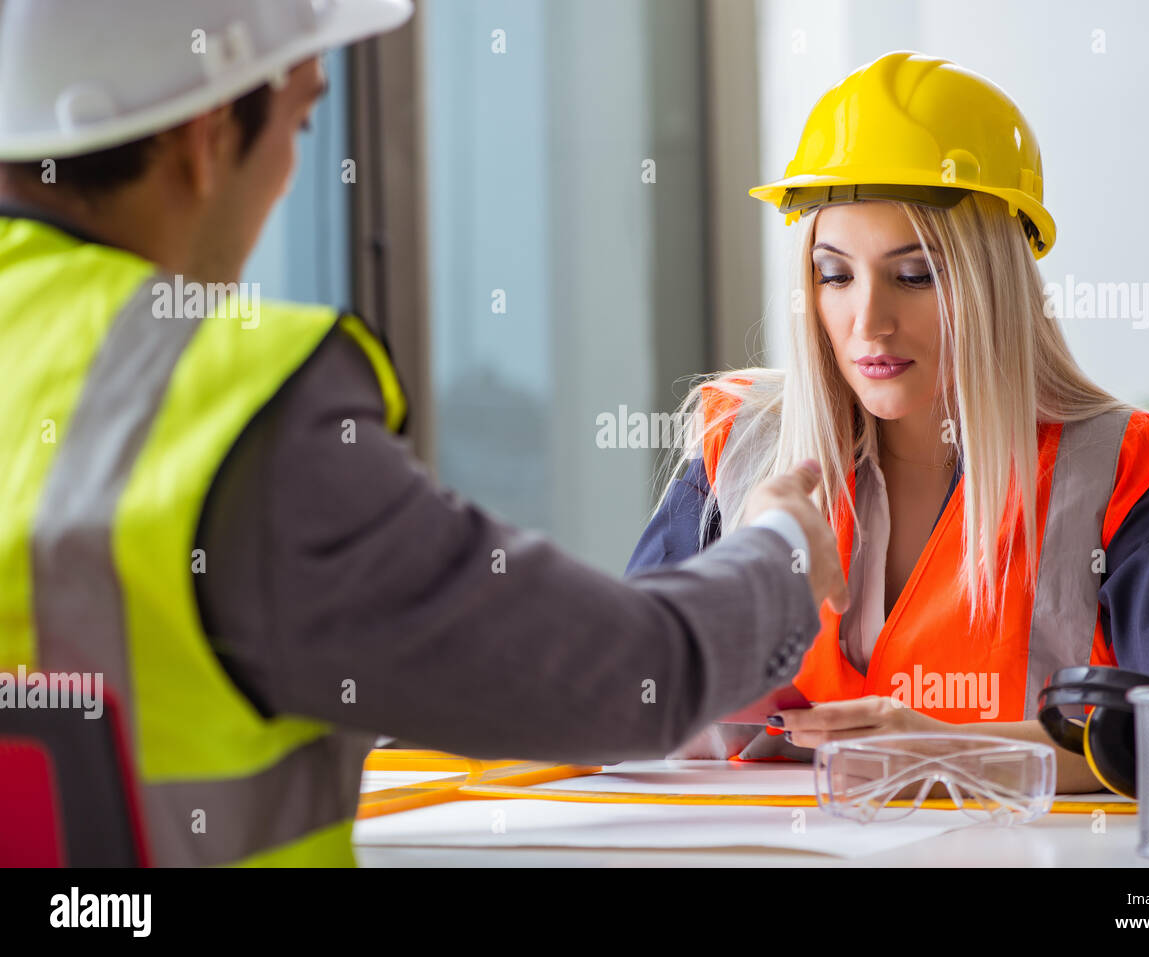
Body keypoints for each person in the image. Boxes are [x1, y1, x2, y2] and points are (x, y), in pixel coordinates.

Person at [0, 0, 848, 866]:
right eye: (300, 122)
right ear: (206, 136)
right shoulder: (235, 404)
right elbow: (621, 673)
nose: (292, 173)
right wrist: (779, 554)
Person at [626, 51, 1149, 790]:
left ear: (993, 282)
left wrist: (947, 749)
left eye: (915, 274)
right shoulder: (740, 448)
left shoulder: (1103, 468)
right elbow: (608, 694)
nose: (869, 322)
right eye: (835, 275)